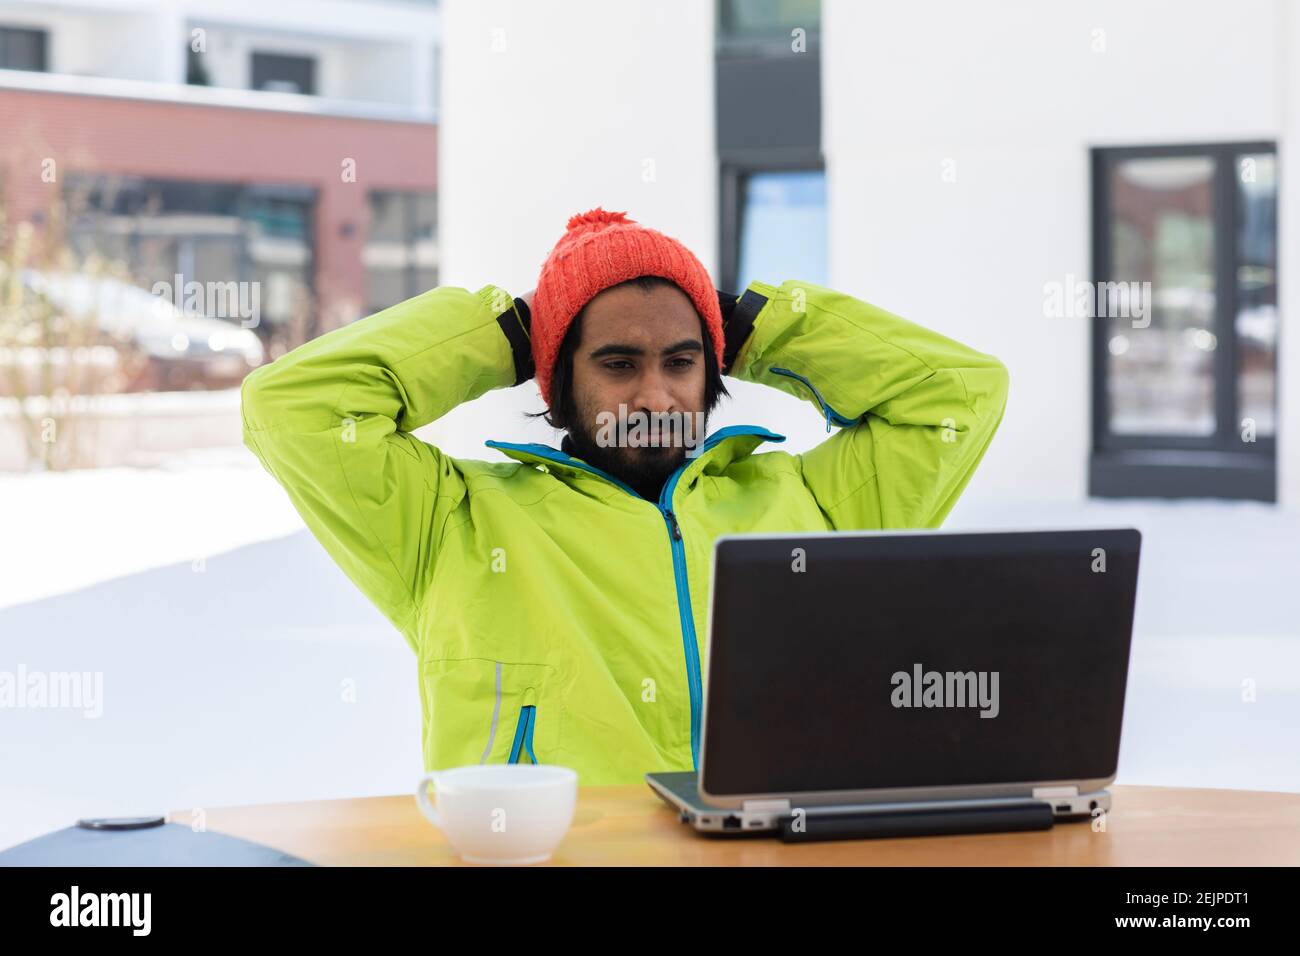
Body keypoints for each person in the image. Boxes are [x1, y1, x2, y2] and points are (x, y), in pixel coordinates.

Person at [239, 207, 1010, 784]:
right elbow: (293, 408)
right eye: (616, 362)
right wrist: (508, 332)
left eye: (682, 361)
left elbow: (958, 396)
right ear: (558, 378)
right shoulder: (449, 523)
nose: (655, 392)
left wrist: (755, 328)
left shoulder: (817, 502)